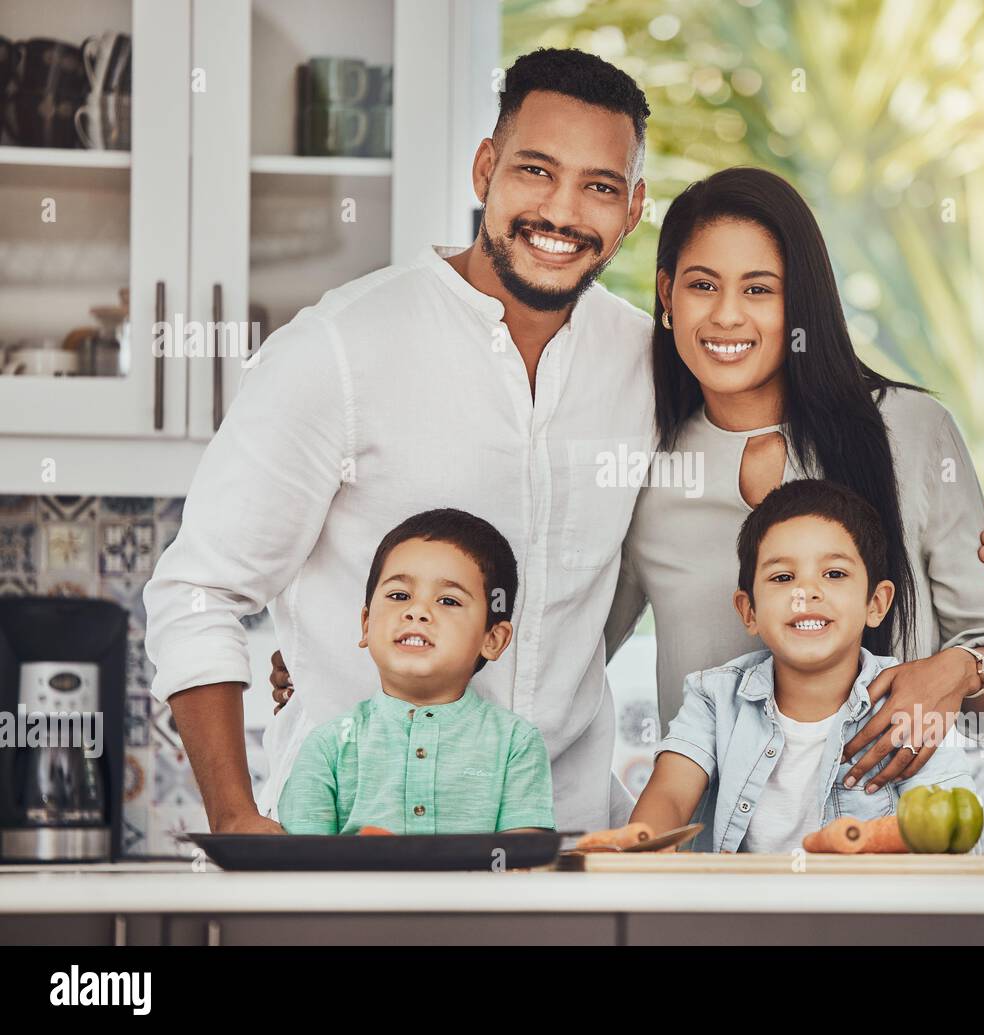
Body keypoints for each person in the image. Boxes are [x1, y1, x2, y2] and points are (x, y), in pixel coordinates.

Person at [144, 48, 658, 834]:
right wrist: (237, 818)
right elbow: (199, 591)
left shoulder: (649, 366)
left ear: (633, 208)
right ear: (484, 169)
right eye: (534, 171)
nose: (561, 212)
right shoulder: (338, 348)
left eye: (599, 186)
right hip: (355, 852)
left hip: (565, 856)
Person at [604, 168, 984, 794]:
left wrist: (958, 671)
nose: (726, 316)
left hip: (891, 857)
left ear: (800, 301)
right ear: (667, 295)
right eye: (702, 285)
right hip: (719, 872)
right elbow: (567, 650)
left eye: (759, 289)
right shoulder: (644, 463)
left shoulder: (911, 432)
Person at [630, 480, 974, 853]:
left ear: (876, 603)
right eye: (782, 577)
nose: (806, 592)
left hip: (873, 909)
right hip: (739, 910)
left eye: (834, 574)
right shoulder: (714, 699)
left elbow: (951, 832)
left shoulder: (909, 704)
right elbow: (671, 793)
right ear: (750, 611)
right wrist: (645, 848)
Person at [277, 509, 554, 835]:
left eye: (448, 601)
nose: (417, 611)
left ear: (492, 639)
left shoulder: (516, 744)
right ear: (366, 624)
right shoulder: (329, 746)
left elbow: (522, 866)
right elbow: (302, 869)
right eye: (399, 595)